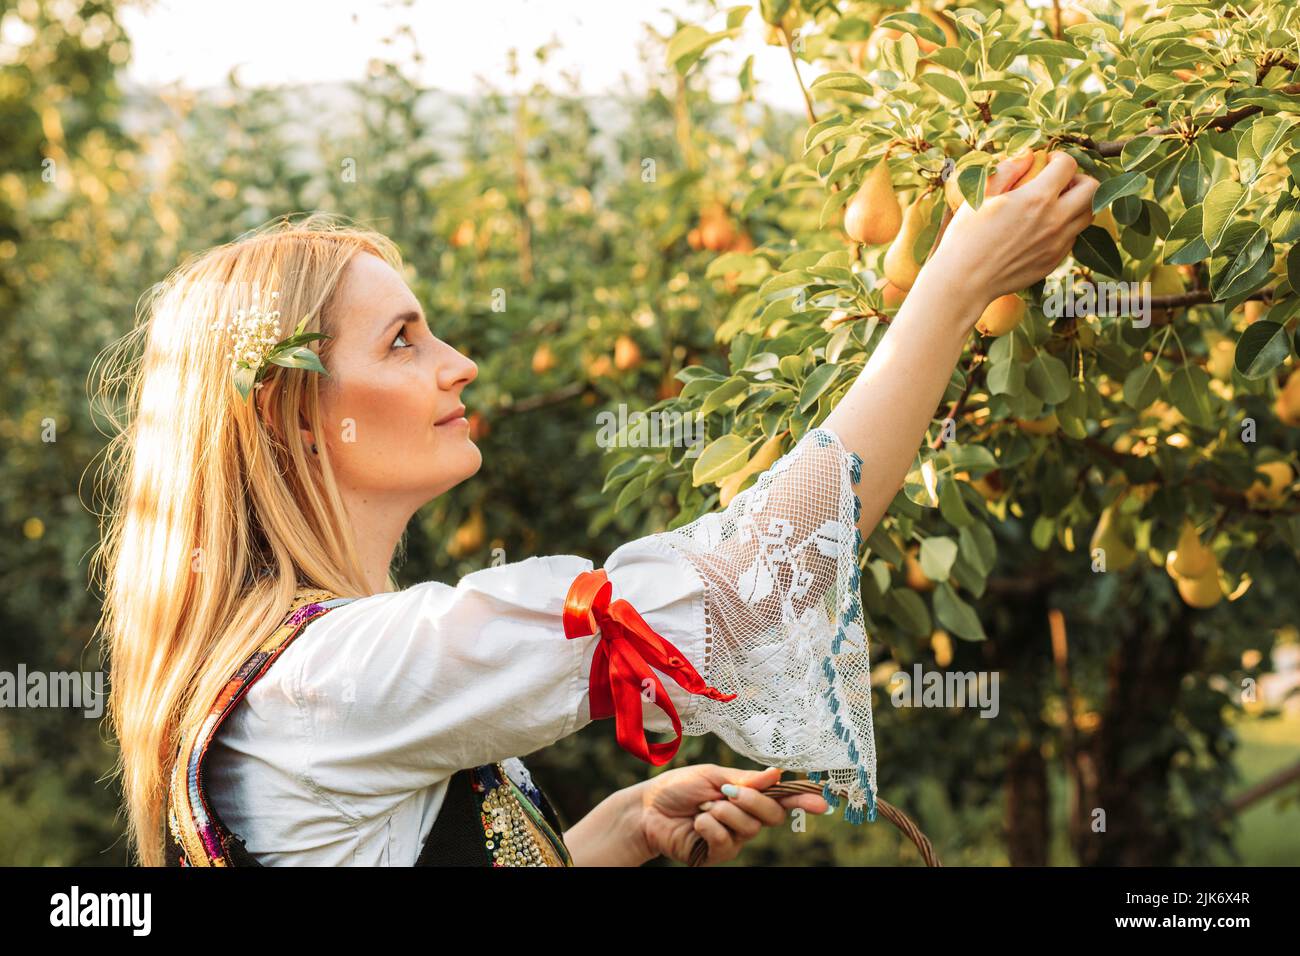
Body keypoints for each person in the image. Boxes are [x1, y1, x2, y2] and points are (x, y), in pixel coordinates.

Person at [94, 151, 1098, 867]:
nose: (459, 364)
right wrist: (952, 286)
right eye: (402, 340)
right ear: (295, 418)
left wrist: (601, 839)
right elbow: (745, 584)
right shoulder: (340, 674)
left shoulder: (296, 677)